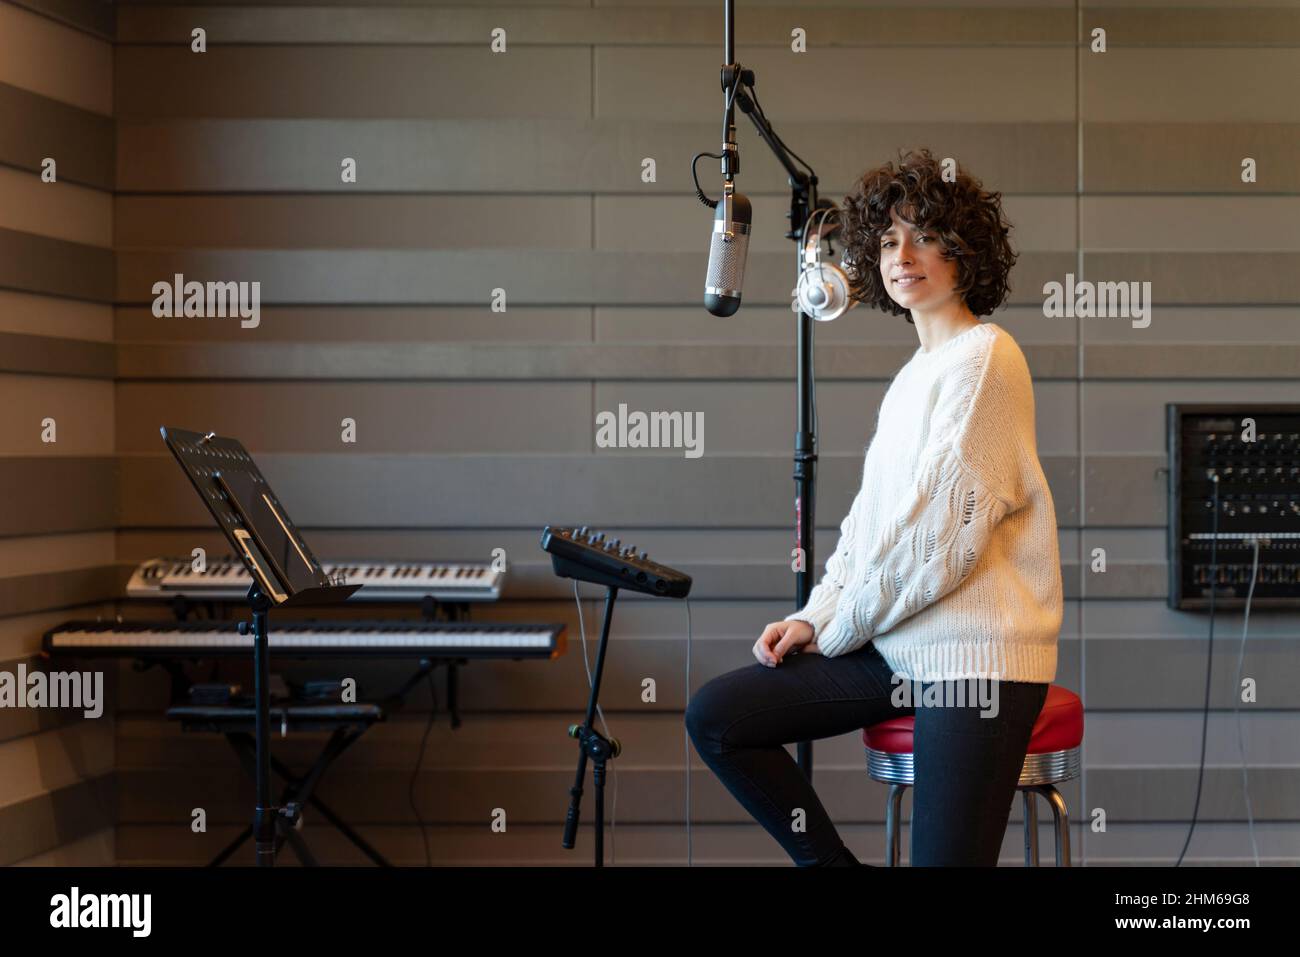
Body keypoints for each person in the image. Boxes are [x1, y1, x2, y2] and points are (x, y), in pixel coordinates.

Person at [685, 147, 1064, 867]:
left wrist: (841, 626)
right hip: (897, 645)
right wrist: (814, 617)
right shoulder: (911, 379)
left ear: (964, 251)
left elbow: (940, 539)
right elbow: (868, 532)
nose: (903, 254)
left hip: (972, 659)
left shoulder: (986, 357)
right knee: (719, 716)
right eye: (889, 240)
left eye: (923, 235)